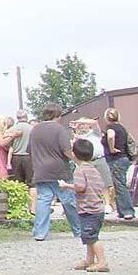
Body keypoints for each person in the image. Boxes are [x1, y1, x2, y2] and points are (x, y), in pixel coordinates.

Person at [30, 103, 81, 240]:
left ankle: (40, 233)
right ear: (58, 115)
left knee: (43, 201)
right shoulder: (60, 130)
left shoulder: (34, 130)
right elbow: (67, 150)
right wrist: (79, 162)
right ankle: (78, 231)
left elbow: (30, 150)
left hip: (41, 171)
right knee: (68, 201)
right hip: (60, 171)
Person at [59, 138, 109, 273]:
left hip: (89, 209)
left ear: (74, 154)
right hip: (97, 208)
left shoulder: (79, 170)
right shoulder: (94, 169)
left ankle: (102, 261)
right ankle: (89, 259)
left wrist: (66, 185)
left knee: (92, 237)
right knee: (88, 236)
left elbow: (80, 187)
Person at [72, 118, 115, 215]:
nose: (83, 126)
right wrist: (76, 130)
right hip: (86, 161)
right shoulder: (79, 137)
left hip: (98, 159)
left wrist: (79, 121)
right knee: (88, 184)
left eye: (84, 124)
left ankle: (107, 204)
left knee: (105, 182)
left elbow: (95, 122)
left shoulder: (95, 133)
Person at [102, 107, 136, 220]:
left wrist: (112, 149)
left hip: (116, 159)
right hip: (124, 158)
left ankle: (128, 210)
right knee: (118, 184)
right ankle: (121, 210)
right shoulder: (122, 128)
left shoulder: (110, 127)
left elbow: (111, 136)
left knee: (120, 185)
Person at [5, 110, 35, 214]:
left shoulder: (12, 129)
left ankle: (19, 208)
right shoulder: (32, 129)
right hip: (29, 157)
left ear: (17, 118)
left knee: (17, 183)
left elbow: (6, 143)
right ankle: (32, 208)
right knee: (32, 184)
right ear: (27, 117)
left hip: (16, 157)